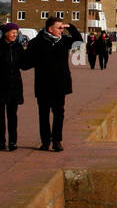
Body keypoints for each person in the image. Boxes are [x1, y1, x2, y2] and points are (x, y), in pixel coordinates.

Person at [22, 16, 82, 152]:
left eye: (62, 27)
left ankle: (57, 141)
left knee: (59, 113)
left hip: (60, 84)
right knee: (43, 114)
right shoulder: (36, 42)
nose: (61, 30)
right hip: (43, 84)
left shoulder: (64, 41)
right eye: (59, 28)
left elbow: (78, 41)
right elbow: (25, 63)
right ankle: (45, 141)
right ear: (50, 29)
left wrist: (70, 27)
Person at [0, 21, 26, 151]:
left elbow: (24, 64)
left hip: (14, 87)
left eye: (16, 32)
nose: (15, 35)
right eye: (13, 32)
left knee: (12, 116)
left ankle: (13, 142)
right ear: (6, 33)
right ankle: (1, 142)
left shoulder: (18, 47)